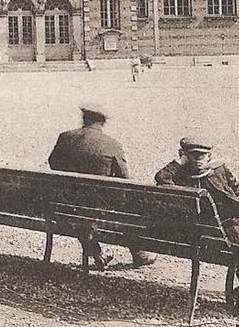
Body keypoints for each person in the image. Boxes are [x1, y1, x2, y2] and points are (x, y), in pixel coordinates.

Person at [155, 136, 239, 317]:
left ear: (209, 156)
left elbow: (238, 188)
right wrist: (179, 162)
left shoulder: (219, 169)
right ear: (183, 155)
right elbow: (162, 177)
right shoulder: (180, 175)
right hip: (221, 225)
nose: (198, 159)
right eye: (193, 155)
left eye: (202, 155)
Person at [48, 105, 157, 269]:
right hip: (97, 207)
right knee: (129, 205)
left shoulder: (65, 137)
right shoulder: (112, 144)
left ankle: (98, 253)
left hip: (65, 205)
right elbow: (125, 179)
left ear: (84, 119)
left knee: (81, 211)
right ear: (103, 122)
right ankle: (139, 253)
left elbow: (53, 163)